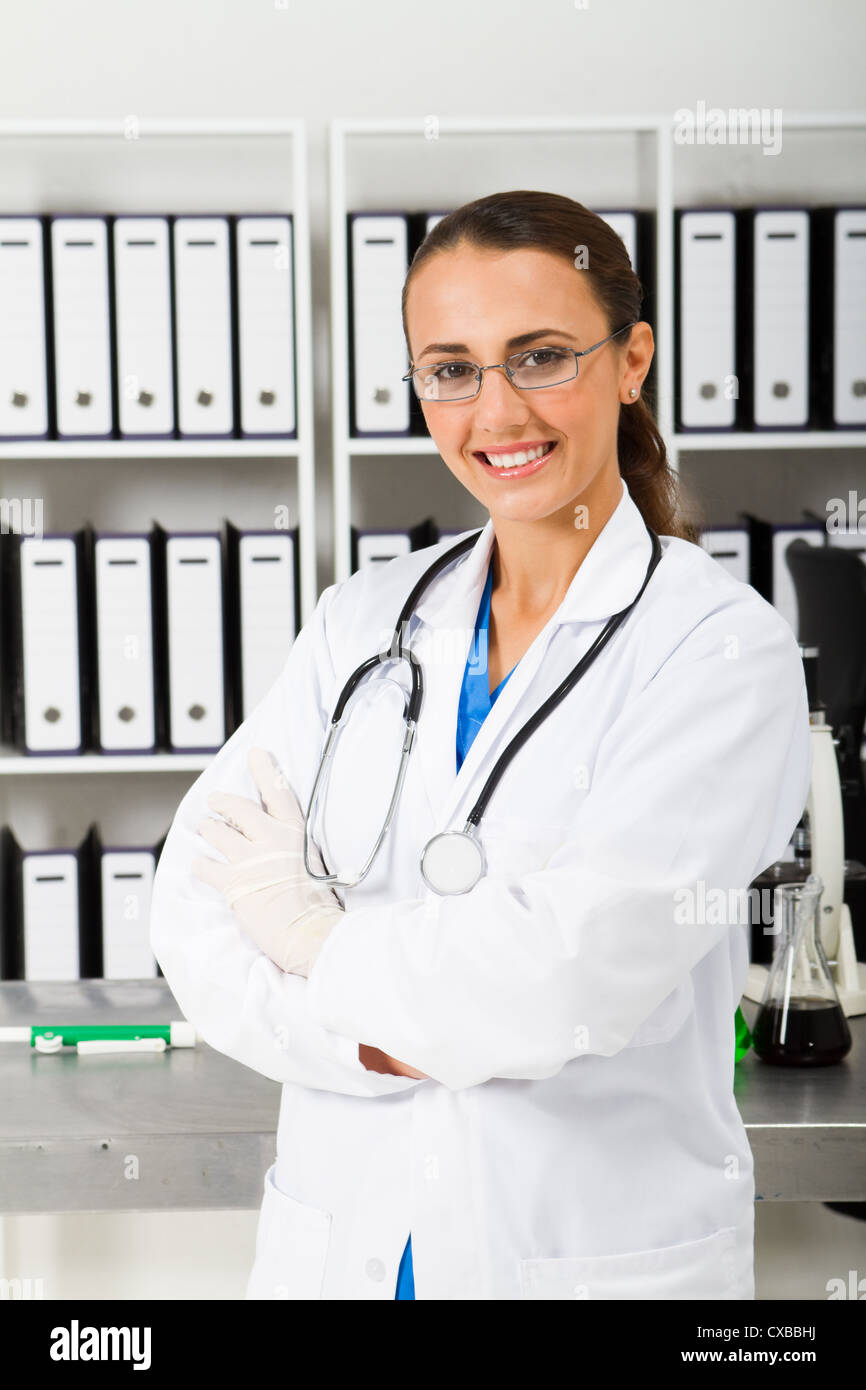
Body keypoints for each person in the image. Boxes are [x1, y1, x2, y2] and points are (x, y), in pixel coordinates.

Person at [149, 190, 811, 1301]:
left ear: (630, 359)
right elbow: (197, 911)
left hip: (582, 1264)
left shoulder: (718, 653)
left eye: (540, 356)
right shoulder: (359, 623)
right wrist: (386, 1034)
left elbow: (565, 973)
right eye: (450, 368)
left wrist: (315, 939)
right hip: (342, 1255)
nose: (495, 410)